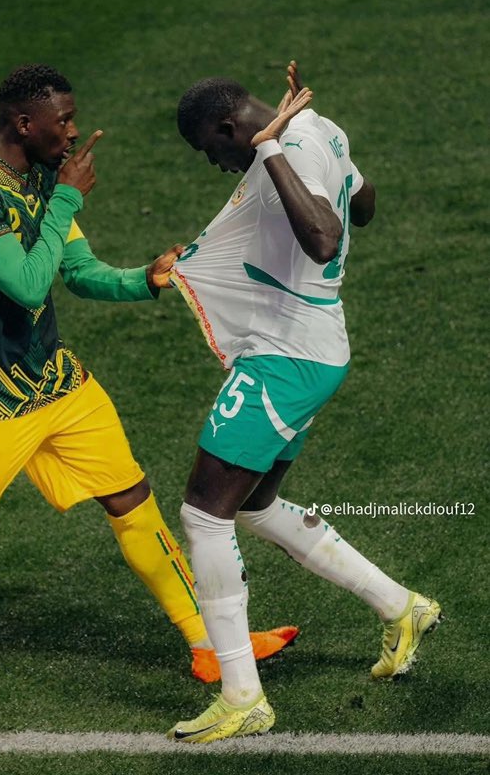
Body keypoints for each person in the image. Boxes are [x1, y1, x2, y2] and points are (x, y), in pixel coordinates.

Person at [0, 63, 296, 722]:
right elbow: (27, 284)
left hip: (54, 380)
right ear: (22, 123)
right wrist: (66, 198)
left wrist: (145, 279)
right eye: (62, 121)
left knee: (131, 500)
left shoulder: (42, 179)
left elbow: (79, 271)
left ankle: (210, 643)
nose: (71, 133)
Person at [166, 62, 442, 743]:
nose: (215, 165)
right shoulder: (322, 128)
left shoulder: (285, 145)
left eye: (211, 149)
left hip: (285, 355)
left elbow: (325, 237)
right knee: (253, 504)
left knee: (204, 514)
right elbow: (364, 204)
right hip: (313, 346)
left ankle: (242, 697)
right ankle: (399, 606)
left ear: (230, 126)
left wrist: (270, 151)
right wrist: (285, 154)